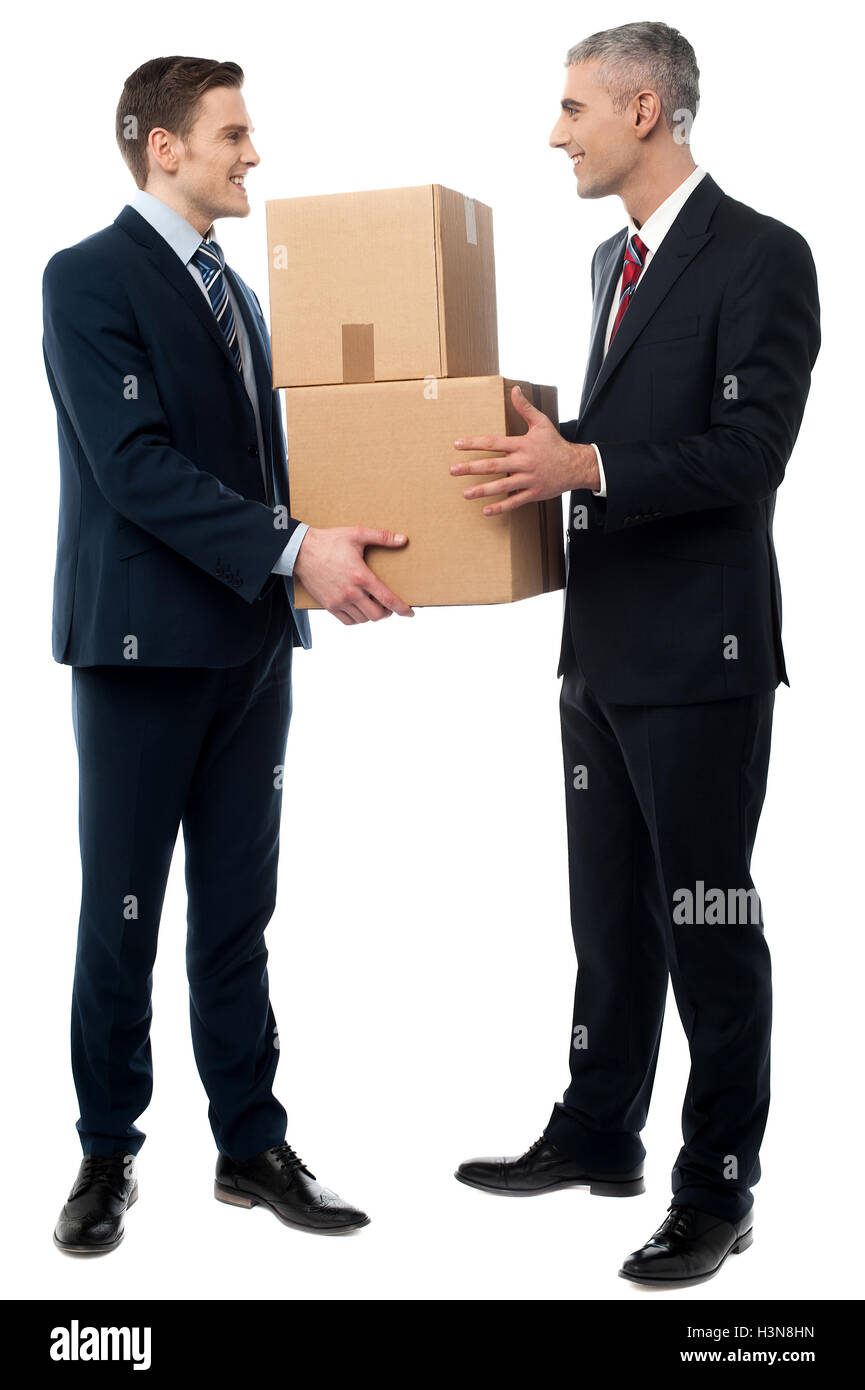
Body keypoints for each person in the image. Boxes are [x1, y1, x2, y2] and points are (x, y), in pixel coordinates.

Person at [451, 21, 820, 1286]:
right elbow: (622, 441)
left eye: (572, 109)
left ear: (643, 110)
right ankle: (598, 1129)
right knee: (607, 916)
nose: (555, 133)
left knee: (706, 920)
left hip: (700, 656)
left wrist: (585, 462)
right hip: (599, 650)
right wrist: (547, 452)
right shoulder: (612, 258)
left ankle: (716, 1185)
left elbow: (749, 454)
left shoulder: (762, 254)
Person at [43, 54, 414, 1254]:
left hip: (253, 647)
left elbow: (261, 476)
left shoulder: (242, 297)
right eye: (234, 134)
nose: (253, 154)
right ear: (164, 147)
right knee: (124, 911)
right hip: (144, 652)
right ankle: (107, 1150)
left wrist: (330, 557)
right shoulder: (87, 277)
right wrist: (296, 549)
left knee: (238, 912)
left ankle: (250, 1145)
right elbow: (134, 467)